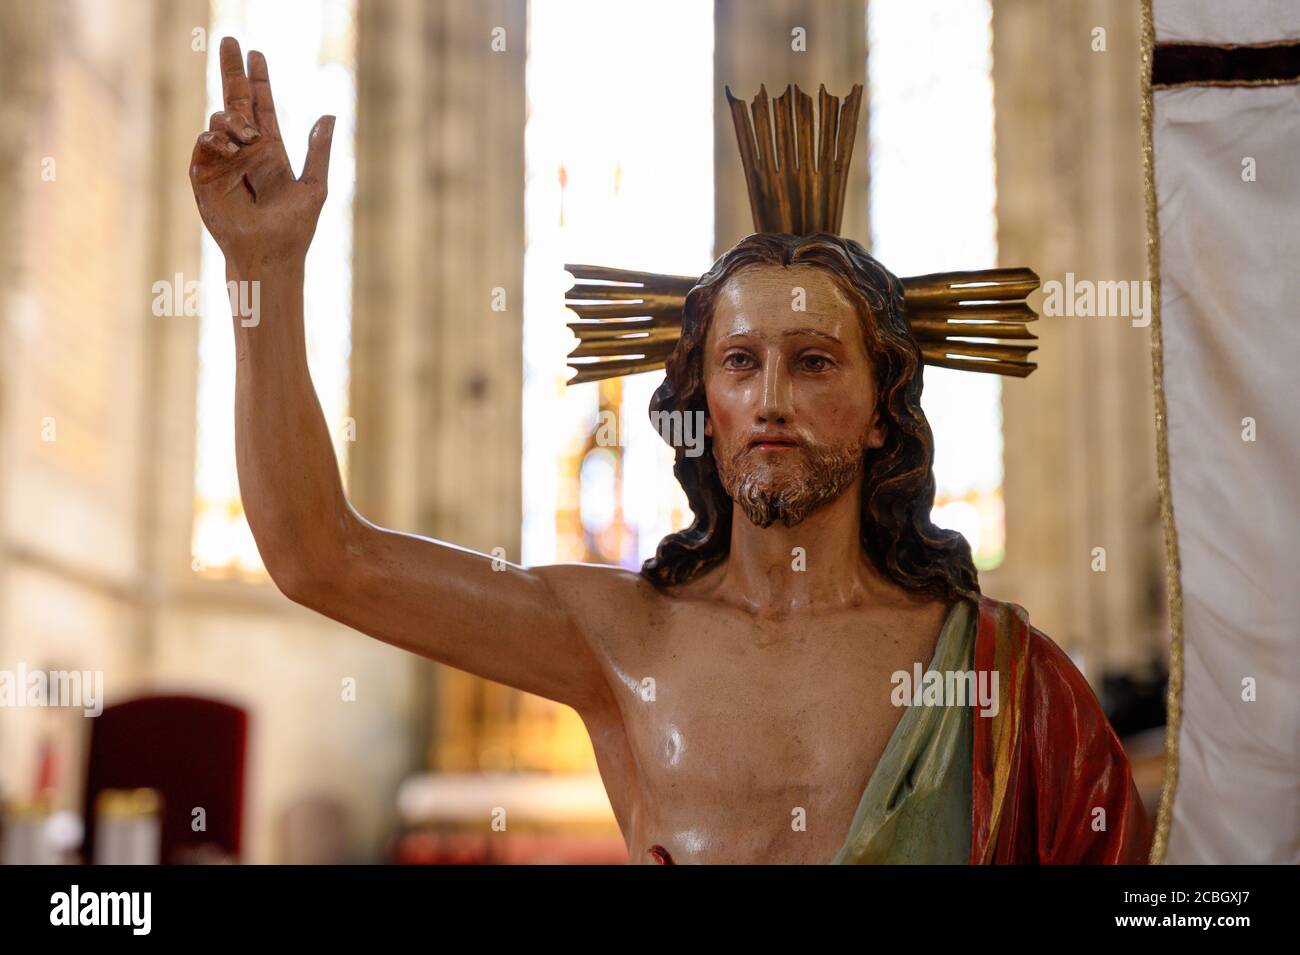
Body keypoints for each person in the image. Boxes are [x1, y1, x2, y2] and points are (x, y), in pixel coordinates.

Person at [190, 37, 1150, 864]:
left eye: (814, 362)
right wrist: (262, 272)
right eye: (740, 363)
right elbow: (320, 554)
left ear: (880, 409)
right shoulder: (620, 638)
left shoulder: (1003, 677)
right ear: (703, 400)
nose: (771, 399)